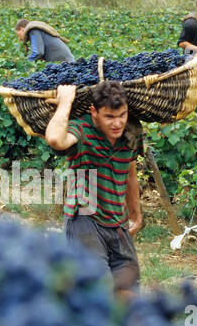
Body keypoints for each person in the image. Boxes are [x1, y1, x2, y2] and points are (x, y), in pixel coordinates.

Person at [45, 81, 142, 301]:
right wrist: (65, 102)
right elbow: (55, 139)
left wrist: (135, 214)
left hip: (117, 222)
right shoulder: (82, 129)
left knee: (130, 293)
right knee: (97, 292)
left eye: (122, 115)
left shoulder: (131, 132)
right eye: (109, 117)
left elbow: (130, 173)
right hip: (85, 220)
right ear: (94, 113)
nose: (117, 123)